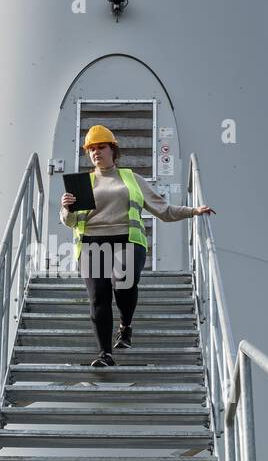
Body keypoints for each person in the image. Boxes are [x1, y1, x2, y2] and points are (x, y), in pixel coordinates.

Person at [60, 125, 215, 367]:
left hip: (128, 241)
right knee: (99, 298)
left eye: (101, 147)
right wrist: (66, 208)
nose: (96, 153)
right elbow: (71, 222)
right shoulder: (83, 182)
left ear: (113, 150)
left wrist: (193, 211)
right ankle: (104, 354)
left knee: (123, 287)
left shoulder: (131, 179)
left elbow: (164, 210)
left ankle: (125, 325)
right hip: (91, 244)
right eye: (91, 149)